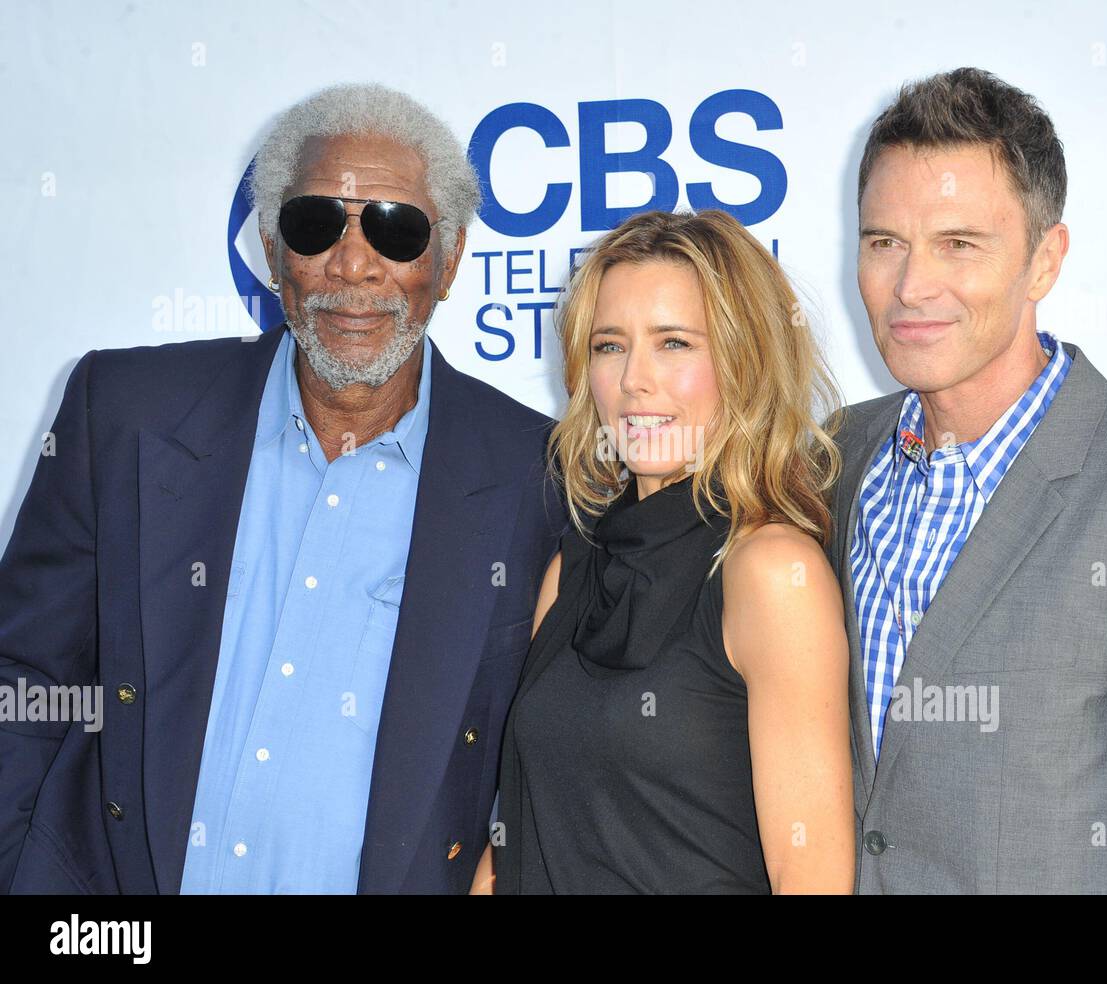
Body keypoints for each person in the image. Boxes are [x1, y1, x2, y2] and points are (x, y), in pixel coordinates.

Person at [0, 83, 567, 894]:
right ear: (271, 248)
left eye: (395, 231)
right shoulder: (123, 413)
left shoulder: (535, 475)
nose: (352, 263)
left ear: (448, 261)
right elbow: (24, 678)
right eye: (315, 224)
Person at [828, 67, 1107, 893]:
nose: (910, 286)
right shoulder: (829, 461)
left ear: (1045, 261)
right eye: (883, 242)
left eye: (959, 244)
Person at [473, 209, 854, 893]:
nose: (633, 380)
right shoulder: (573, 567)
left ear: (746, 359)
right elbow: (515, 832)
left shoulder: (769, 573)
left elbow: (811, 872)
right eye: (609, 345)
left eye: (674, 343)